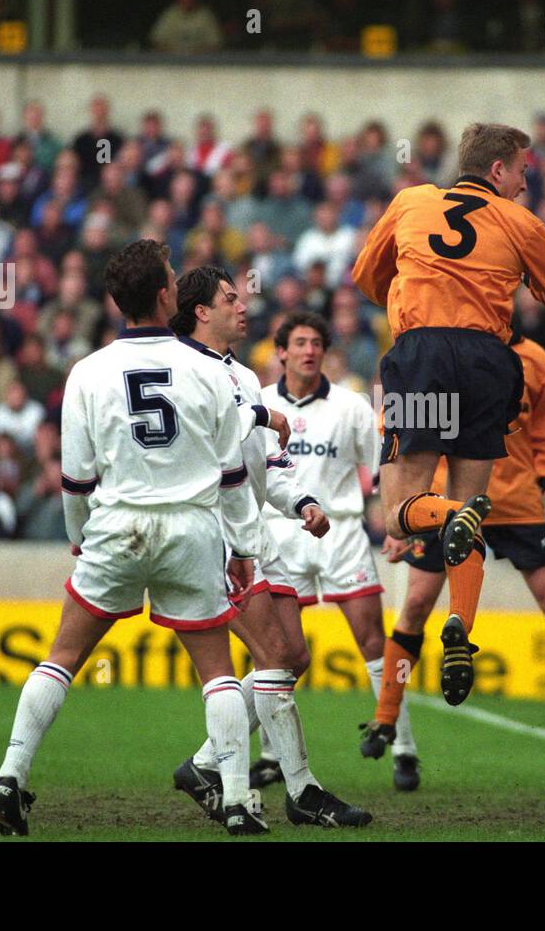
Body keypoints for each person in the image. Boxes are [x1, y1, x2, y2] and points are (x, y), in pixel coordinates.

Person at [0, 240, 265, 837]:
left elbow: (74, 478)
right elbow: (233, 472)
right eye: (171, 276)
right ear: (166, 294)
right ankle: (239, 804)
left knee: (63, 656)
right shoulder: (208, 371)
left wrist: (78, 536)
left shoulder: (86, 372)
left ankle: (11, 776)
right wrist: (244, 547)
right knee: (217, 669)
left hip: (116, 524)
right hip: (191, 527)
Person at [351, 122, 545, 706]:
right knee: (472, 510)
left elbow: (365, 278)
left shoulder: (410, 201)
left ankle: (448, 520)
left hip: (423, 351)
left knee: (401, 515)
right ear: (499, 170)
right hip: (488, 361)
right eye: (524, 173)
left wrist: (415, 285)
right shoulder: (521, 223)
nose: (526, 186)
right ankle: (463, 626)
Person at [168, 267, 371, 828]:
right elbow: (214, 440)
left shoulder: (242, 376)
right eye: (230, 298)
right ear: (201, 311)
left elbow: (265, 459)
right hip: (211, 533)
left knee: (292, 657)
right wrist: (262, 414)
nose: (243, 304)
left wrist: (301, 499)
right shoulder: (184, 370)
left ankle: (206, 765)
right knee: (274, 658)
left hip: (253, 529)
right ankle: (294, 790)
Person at [372, 330, 545, 764]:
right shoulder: (441, 350)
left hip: (517, 500)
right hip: (449, 501)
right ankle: (385, 717)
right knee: (416, 604)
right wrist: (406, 510)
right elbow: (403, 433)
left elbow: (544, 428)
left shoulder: (537, 360)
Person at [261, 312, 421, 790]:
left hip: (343, 533)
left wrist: (393, 521)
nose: (309, 350)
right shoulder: (260, 404)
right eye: (300, 342)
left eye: (317, 343)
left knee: (373, 640)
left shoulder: (351, 407)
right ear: (282, 352)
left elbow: (382, 467)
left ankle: (405, 746)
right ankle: (271, 755)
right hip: (279, 533)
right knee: (275, 650)